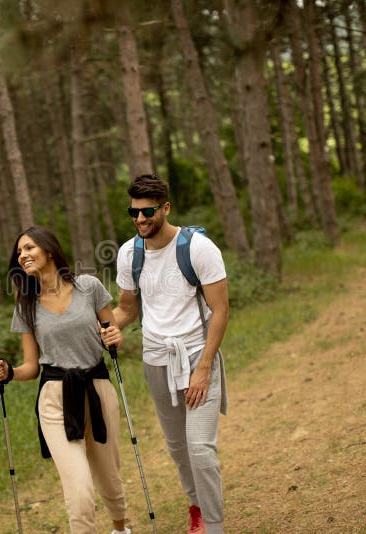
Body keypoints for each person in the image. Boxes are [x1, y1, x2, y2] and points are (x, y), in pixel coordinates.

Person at [0, 225, 131, 534]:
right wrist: (9, 372)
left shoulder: (89, 287)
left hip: (98, 389)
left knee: (109, 476)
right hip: (55, 399)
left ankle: (120, 529)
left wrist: (114, 337)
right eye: (19, 252)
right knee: (79, 489)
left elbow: (112, 337)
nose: (22, 255)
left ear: (49, 250)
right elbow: (30, 367)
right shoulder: (26, 306)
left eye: (29, 248)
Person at [108, 174, 229, 534]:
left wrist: (204, 367)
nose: (140, 219)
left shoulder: (198, 249)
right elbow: (126, 309)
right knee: (178, 449)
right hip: (156, 361)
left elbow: (220, 310)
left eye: (148, 212)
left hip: (196, 356)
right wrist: (105, 326)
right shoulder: (129, 253)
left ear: (165, 208)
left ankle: (215, 524)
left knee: (200, 449)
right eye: (134, 212)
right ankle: (197, 507)